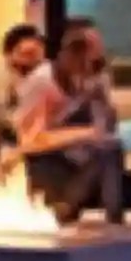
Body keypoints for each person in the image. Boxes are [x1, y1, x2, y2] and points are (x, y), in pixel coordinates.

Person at [14, 25, 123, 225]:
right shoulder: (42, 82)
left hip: (77, 152)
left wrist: (103, 99)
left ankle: (114, 221)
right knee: (103, 149)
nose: (93, 69)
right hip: (45, 156)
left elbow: (105, 127)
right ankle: (65, 207)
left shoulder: (91, 80)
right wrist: (83, 134)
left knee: (110, 149)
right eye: (91, 62)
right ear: (71, 56)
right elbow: (28, 141)